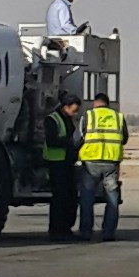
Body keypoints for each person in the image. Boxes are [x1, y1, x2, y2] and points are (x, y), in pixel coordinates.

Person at [73, 96, 126, 238]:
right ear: (108, 104)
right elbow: (124, 138)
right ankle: (108, 232)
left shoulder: (88, 116)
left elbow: (79, 137)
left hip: (91, 162)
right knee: (112, 198)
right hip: (111, 162)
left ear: (95, 103)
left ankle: (85, 232)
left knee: (87, 198)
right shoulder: (118, 117)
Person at [38, 92, 79, 236]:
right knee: (59, 199)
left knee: (70, 198)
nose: (74, 114)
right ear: (65, 107)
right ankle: (57, 230)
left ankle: (66, 228)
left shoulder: (67, 119)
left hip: (67, 163)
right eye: (73, 110)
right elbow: (52, 141)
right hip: (56, 163)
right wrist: (70, 143)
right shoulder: (52, 119)